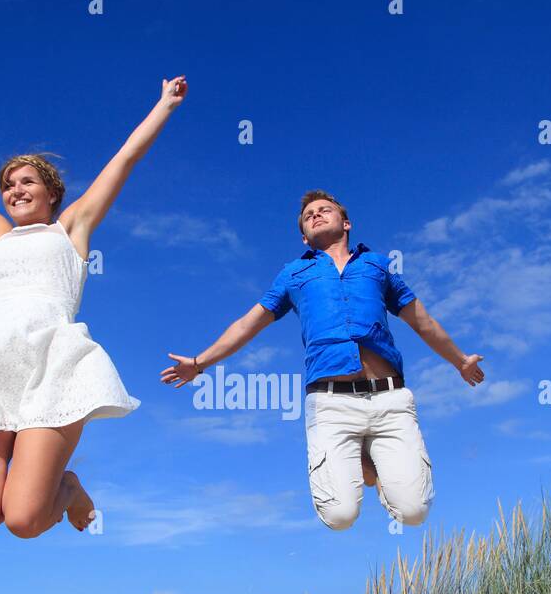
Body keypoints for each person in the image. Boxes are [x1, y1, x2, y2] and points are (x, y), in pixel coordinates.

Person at [0, 76, 188, 538]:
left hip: (53, 366)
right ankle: (41, 482)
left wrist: (164, 105)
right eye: (7, 185)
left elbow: (124, 160)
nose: (14, 190)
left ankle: (67, 487)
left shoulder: (71, 230)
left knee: (24, 520)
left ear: (52, 193)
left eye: (27, 182)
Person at [162, 190, 484, 531]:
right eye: (308, 215)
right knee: (340, 516)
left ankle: (370, 461)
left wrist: (459, 360)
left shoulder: (376, 265)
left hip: (390, 400)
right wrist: (199, 363)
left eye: (324, 210)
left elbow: (422, 321)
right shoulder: (293, 274)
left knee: (414, 513)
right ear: (304, 236)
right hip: (331, 406)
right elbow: (247, 324)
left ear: (346, 223)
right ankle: (361, 457)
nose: (315, 214)